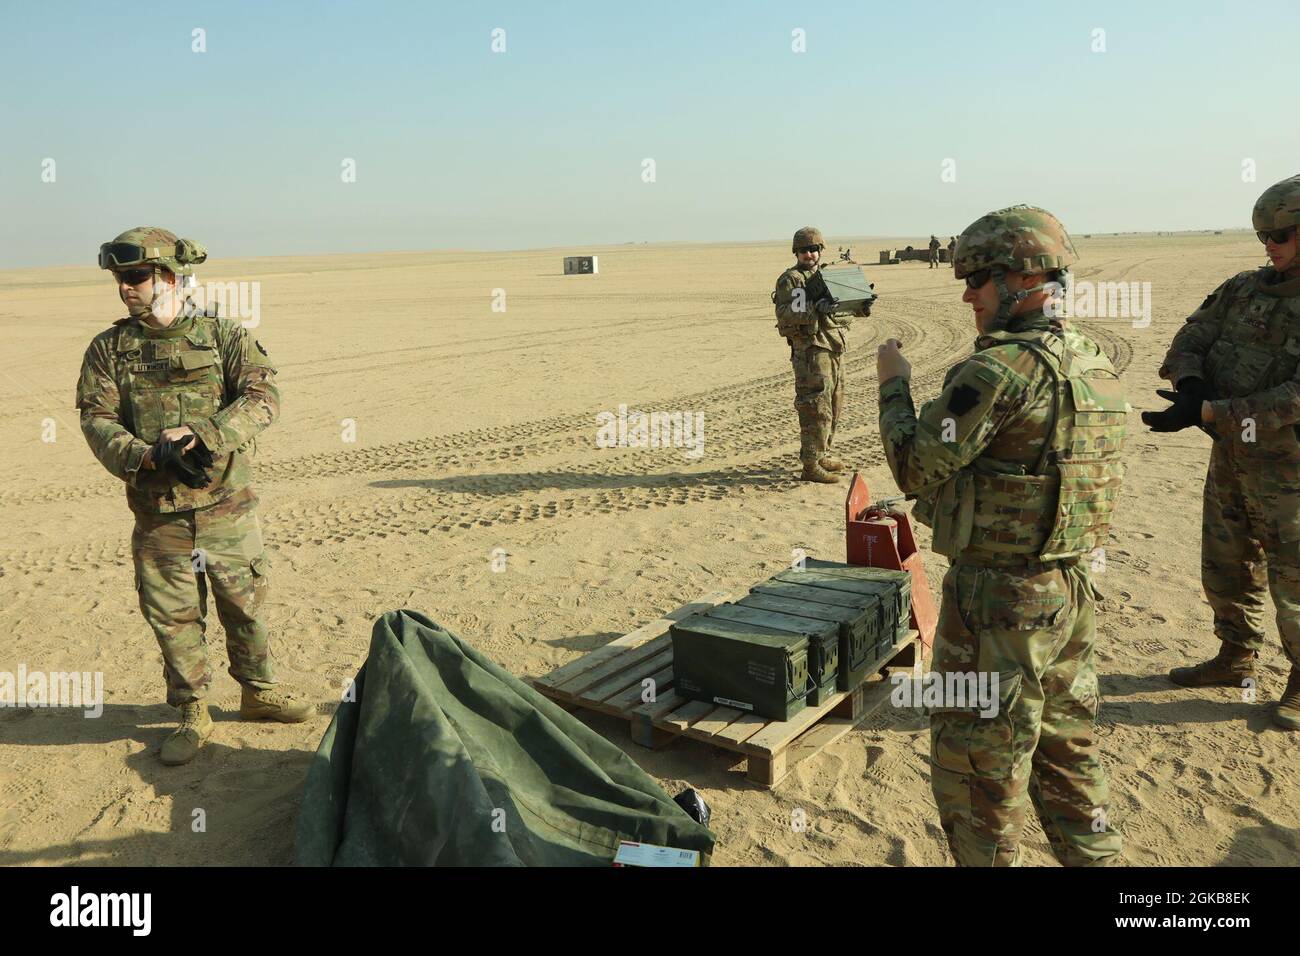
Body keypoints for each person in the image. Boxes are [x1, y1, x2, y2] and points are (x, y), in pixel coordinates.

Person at [878, 206, 1127, 866]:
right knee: (1067, 754)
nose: (967, 294)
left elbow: (914, 464)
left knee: (977, 771)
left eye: (978, 279)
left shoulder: (1000, 371)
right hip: (1068, 592)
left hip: (999, 601)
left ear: (1021, 279)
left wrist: (893, 388)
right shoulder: (1093, 363)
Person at [76, 227, 312, 766]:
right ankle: (191, 710)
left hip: (226, 507)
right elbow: (97, 421)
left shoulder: (224, 336)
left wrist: (204, 435)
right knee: (174, 618)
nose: (124, 289)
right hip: (159, 517)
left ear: (170, 277)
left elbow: (263, 399)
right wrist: (149, 456)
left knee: (245, 605)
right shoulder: (109, 349)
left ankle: (258, 692)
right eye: (119, 279)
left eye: (135, 277)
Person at [1143, 174, 1300, 730]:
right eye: (1264, 236)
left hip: (1290, 471)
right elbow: (1192, 336)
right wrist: (1190, 388)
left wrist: (1212, 413)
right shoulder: (1243, 288)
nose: (1269, 246)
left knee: (1293, 579)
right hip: (1233, 458)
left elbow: (1295, 397)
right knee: (1226, 564)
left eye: (1280, 235)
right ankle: (1236, 656)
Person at [772, 226, 855, 482]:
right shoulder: (792, 279)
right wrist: (814, 307)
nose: (810, 254)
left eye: (814, 249)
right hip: (811, 350)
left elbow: (844, 310)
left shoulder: (827, 276)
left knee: (834, 403)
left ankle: (823, 454)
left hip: (833, 345)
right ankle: (810, 464)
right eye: (805, 250)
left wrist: (859, 304)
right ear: (796, 252)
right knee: (814, 406)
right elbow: (786, 312)